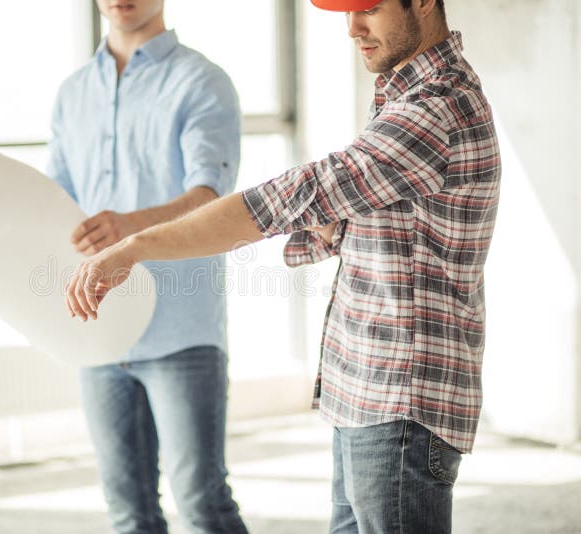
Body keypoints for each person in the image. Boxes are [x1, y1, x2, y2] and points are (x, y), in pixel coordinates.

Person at [65, 0, 501, 532]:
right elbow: (383, 221)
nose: (353, 29)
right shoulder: (402, 94)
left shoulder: (435, 107)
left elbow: (291, 195)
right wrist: (332, 222)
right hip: (368, 393)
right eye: (346, 12)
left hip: (400, 400)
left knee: (202, 497)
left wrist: (135, 246)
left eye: (370, 9)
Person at [46, 1, 247, 533]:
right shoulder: (71, 95)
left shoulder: (201, 81)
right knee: (127, 510)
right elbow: (56, 204)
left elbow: (211, 196)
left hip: (181, 329)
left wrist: (128, 228)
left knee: (202, 501)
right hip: (96, 329)